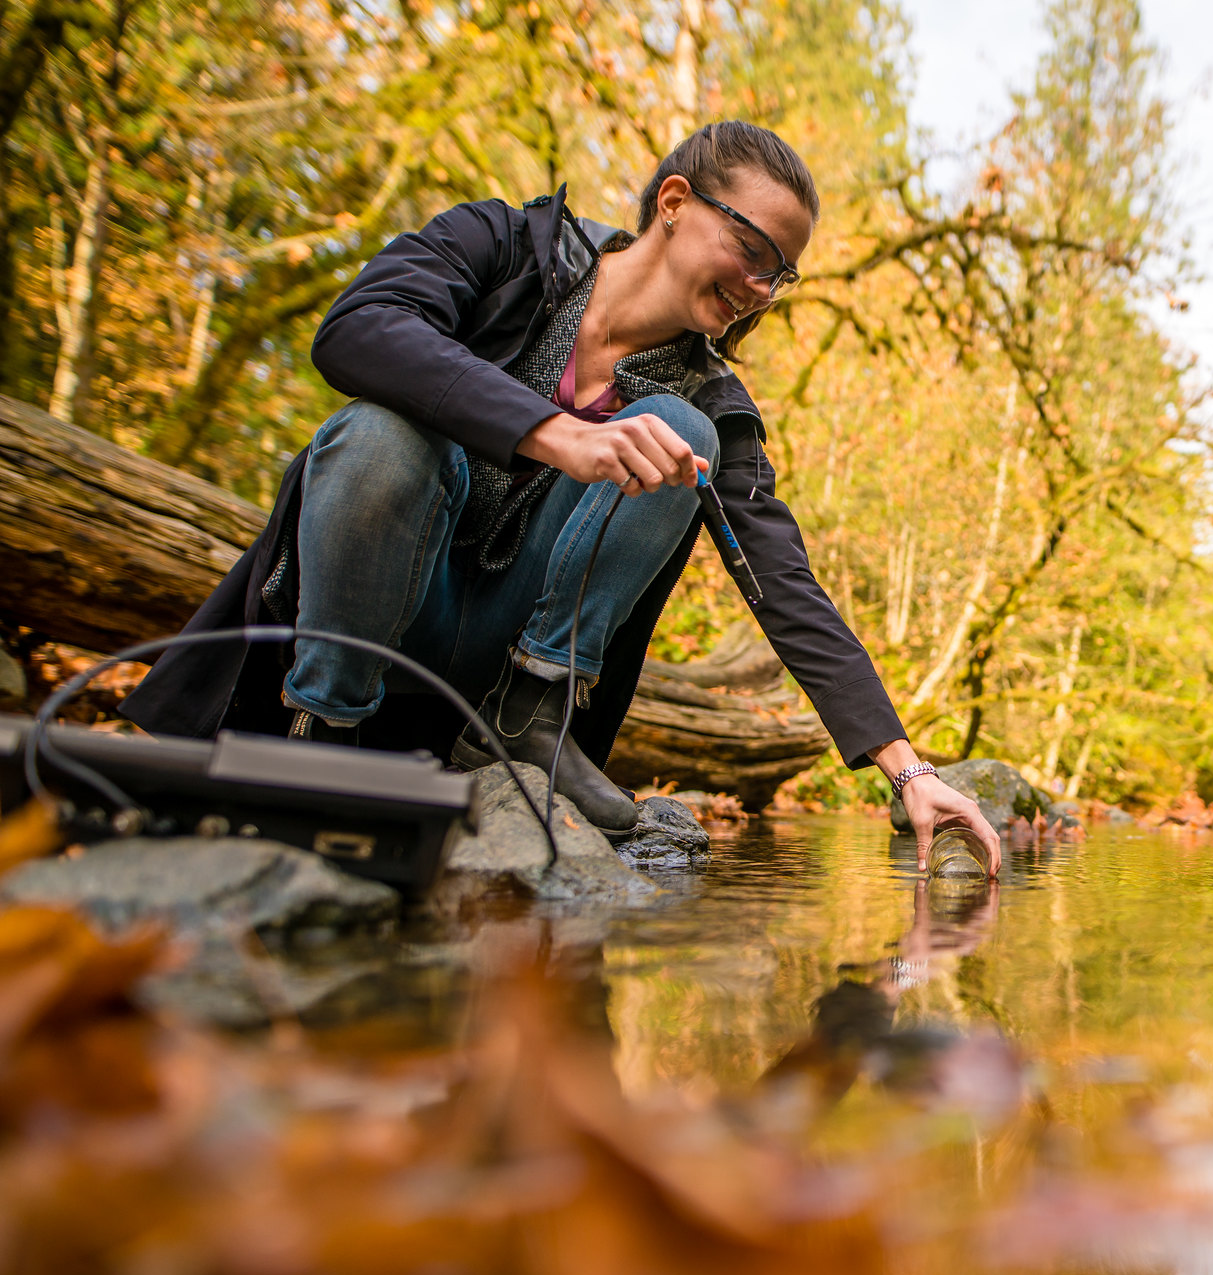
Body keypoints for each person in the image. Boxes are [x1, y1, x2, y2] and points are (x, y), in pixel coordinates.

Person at [121, 121, 1000, 873]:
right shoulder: (507, 245)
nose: (763, 289)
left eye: (783, 274)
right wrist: (563, 436)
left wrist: (909, 769)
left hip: (494, 664)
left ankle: (526, 727)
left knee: (680, 436)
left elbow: (783, 579)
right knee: (380, 434)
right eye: (755, 251)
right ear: (675, 202)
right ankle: (326, 739)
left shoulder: (713, 404)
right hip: (373, 625)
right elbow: (357, 329)